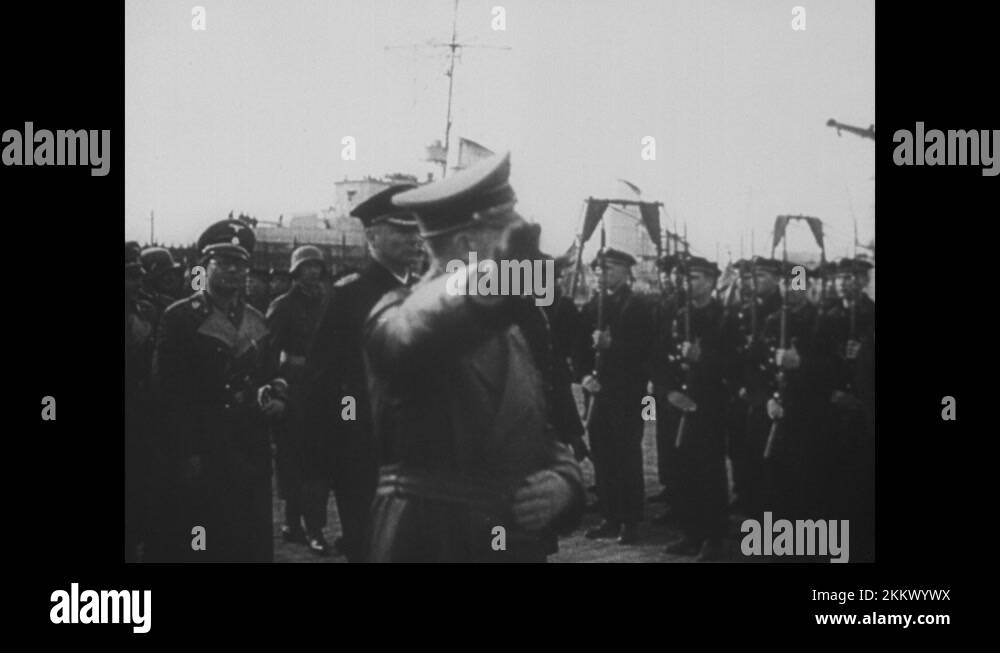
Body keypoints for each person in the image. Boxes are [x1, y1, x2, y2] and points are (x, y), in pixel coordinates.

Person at [363, 152, 585, 562]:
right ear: (467, 244)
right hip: (432, 540)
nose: (522, 248)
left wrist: (563, 483)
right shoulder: (392, 317)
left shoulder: (511, 330)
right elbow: (423, 326)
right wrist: (485, 289)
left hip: (509, 540)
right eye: (508, 233)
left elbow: (536, 429)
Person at [299, 184, 424, 561]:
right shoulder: (349, 297)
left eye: (418, 230)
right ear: (373, 236)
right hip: (365, 455)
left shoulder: (426, 293)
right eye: (403, 230)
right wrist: (336, 445)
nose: (415, 240)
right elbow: (323, 380)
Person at [150, 219, 286, 562]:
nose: (232, 271)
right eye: (222, 263)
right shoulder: (179, 318)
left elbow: (272, 373)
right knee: (202, 538)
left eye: (240, 264)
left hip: (249, 446)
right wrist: (186, 451)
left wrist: (278, 396)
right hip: (204, 448)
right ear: (204, 266)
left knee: (248, 538)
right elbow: (168, 395)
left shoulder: (258, 319)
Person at [576, 248, 657, 544]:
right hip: (597, 393)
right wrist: (585, 376)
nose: (603, 274)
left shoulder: (638, 306)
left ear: (625, 271)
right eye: (600, 269)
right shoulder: (594, 304)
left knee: (626, 455)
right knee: (603, 455)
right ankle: (610, 515)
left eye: (609, 268)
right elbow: (579, 348)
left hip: (625, 392)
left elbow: (646, 351)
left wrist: (614, 345)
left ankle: (630, 519)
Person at [662, 255, 737, 561]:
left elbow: (733, 364)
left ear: (710, 281)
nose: (688, 284)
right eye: (686, 278)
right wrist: (669, 392)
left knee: (710, 471)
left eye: (694, 278)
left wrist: (702, 358)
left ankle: (713, 536)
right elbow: (662, 354)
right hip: (681, 403)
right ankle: (691, 532)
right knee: (684, 469)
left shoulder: (725, 318)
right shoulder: (680, 314)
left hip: (710, 404)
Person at [267, 245, 331, 555]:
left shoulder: (329, 302)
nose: (313, 272)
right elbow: (267, 352)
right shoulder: (282, 306)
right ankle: (294, 523)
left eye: (317, 267)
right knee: (293, 460)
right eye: (307, 267)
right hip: (293, 392)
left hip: (324, 392)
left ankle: (314, 526)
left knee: (317, 462)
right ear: (296, 272)